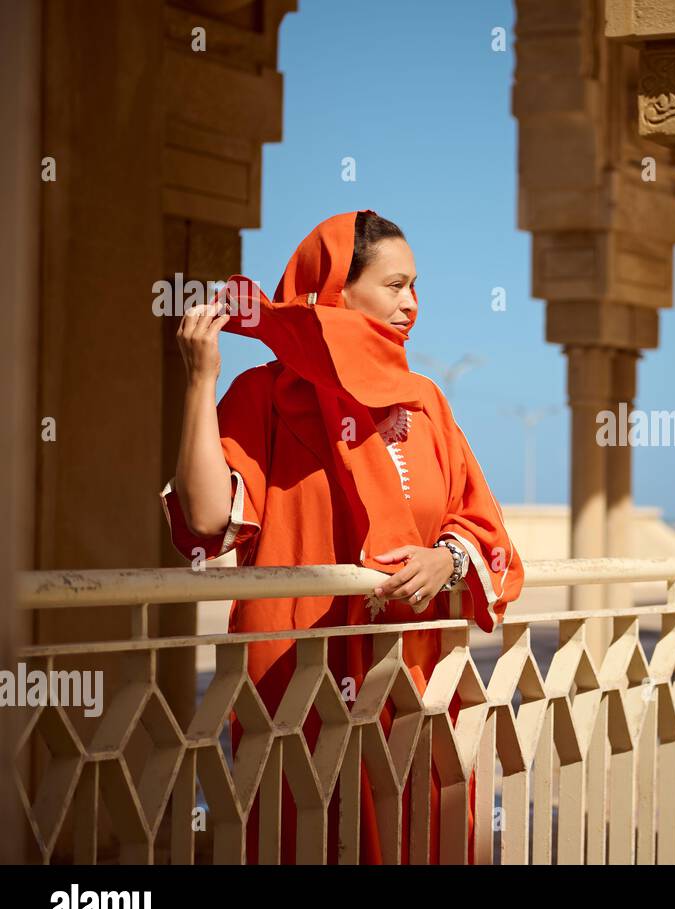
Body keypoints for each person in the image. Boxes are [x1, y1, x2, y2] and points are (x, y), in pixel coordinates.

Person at [161, 209, 524, 863]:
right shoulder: (264, 395)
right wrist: (200, 379)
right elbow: (210, 520)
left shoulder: (425, 403)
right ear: (337, 290)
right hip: (297, 683)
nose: (412, 304)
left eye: (416, 287)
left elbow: (479, 521)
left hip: (414, 688)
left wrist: (448, 560)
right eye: (394, 285)